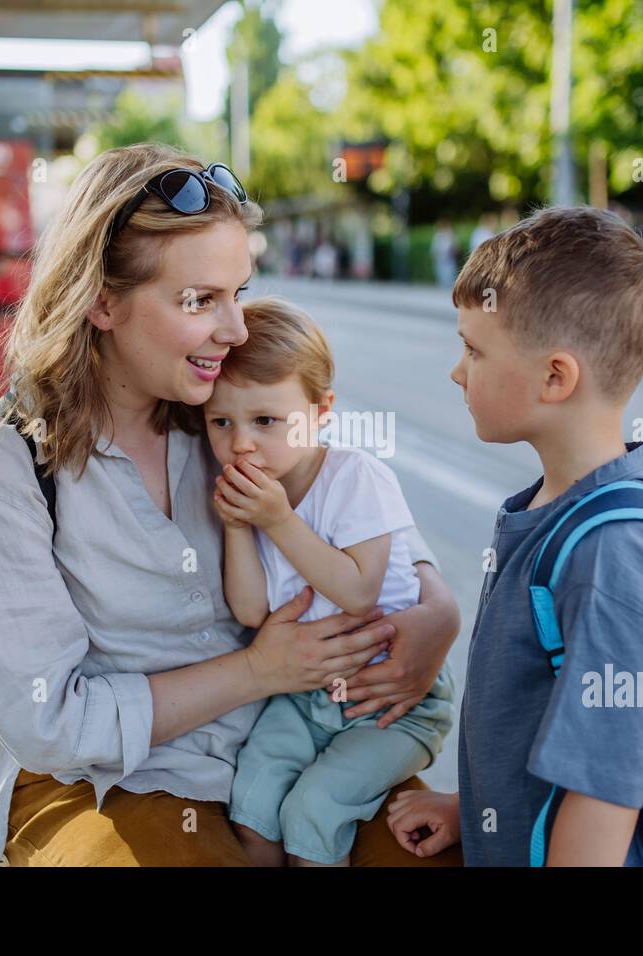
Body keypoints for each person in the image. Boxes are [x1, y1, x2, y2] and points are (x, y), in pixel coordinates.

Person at [0, 143, 462, 867]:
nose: (237, 330)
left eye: (239, 291)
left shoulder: (223, 412)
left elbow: (358, 510)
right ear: (101, 301)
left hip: (298, 741)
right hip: (102, 782)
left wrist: (435, 613)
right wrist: (257, 673)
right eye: (200, 300)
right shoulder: (0, 467)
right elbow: (46, 721)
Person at [385, 206, 643, 866]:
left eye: (475, 351)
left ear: (555, 377)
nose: (457, 371)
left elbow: (603, 800)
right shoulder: (555, 507)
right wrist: (476, 815)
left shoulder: (615, 557)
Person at [205, 297, 455, 867]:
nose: (241, 442)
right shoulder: (256, 495)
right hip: (304, 696)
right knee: (252, 796)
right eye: (222, 422)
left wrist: (275, 520)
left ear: (321, 411)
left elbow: (359, 590)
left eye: (265, 420)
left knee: (314, 807)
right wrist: (239, 528)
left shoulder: (356, 477)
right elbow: (250, 611)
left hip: (390, 700)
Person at [431, 219, 459, 288]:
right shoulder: (437, 237)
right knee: (442, 281)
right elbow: (434, 251)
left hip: (450, 262)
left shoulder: (452, 237)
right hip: (441, 262)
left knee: (450, 280)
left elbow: (457, 250)